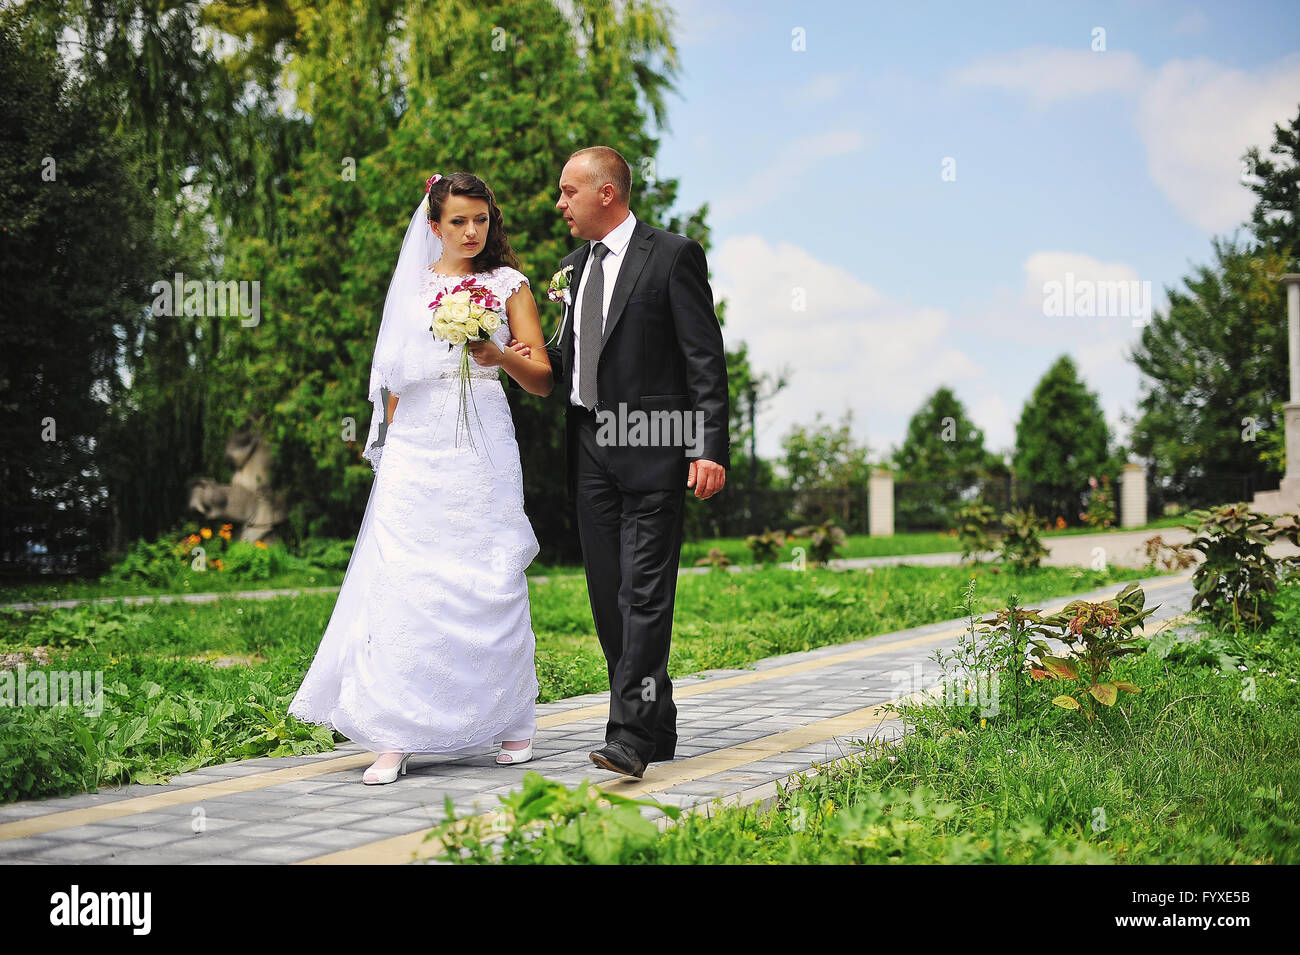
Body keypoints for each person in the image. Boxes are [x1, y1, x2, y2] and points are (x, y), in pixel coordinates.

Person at [288, 172, 553, 785]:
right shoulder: (411, 290)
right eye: (458, 221)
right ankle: (398, 731)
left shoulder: (509, 285)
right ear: (434, 226)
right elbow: (396, 385)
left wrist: (498, 354)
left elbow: (541, 377)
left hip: (484, 437)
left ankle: (514, 717)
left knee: (492, 572)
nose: (471, 231)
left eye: (481, 220)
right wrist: (394, 461)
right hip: (419, 444)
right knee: (407, 578)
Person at [508, 146, 729, 778]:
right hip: (589, 449)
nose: (559, 204)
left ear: (607, 193)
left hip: (656, 442)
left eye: (568, 192)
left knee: (643, 592)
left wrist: (707, 445)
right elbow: (569, 357)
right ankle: (656, 718)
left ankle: (629, 734)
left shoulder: (672, 256)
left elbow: (703, 360)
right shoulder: (571, 270)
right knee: (609, 597)